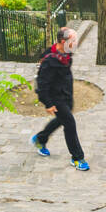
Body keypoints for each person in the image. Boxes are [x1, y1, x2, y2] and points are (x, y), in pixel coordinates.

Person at [30, 27, 89, 170]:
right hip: (55, 97)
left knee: (62, 119)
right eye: (73, 40)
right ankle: (77, 158)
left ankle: (40, 139)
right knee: (69, 123)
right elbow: (42, 84)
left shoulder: (66, 53)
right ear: (63, 41)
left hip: (66, 94)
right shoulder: (49, 60)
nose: (75, 43)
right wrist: (48, 103)